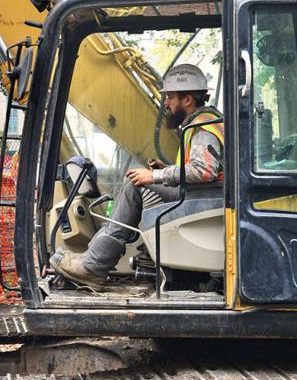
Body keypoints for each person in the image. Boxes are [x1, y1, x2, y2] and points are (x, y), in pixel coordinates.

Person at [53, 63, 224, 288]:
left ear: (187, 99)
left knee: (135, 185)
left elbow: (203, 171)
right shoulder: (203, 122)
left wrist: (156, 176)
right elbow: (205, 168)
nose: (166, 103)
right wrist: (164, 169)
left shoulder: (203, 127)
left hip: (203, 201)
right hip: (203, 196)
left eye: (170, 97)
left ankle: (94, 266)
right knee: (140, 181)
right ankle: (94, 258)